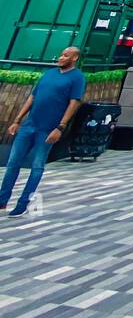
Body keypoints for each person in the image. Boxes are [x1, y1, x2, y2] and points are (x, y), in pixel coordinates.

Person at [0, 47, 85, 218]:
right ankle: (2, 200)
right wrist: (17, 120)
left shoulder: (77, 78)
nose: (61, 57)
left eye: (66, 55)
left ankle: (23, 204)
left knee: (37, 166)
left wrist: (60, 127)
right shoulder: (49, 74)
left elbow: (74, 103)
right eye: (61, 54)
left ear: (74, 58)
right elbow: (32, 97)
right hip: (29, 125)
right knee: (12, 163)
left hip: (48, 129)